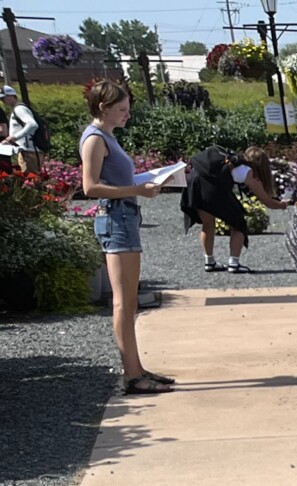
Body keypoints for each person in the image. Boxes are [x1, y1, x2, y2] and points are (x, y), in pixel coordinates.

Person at [78, 77, 172, 396]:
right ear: (103, 108)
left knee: (130, 301)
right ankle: (132, 376)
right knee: (122, 302)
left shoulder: (107, 136)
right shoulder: (94, 139)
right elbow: (89, 187)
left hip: (125, 216)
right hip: (115, 217)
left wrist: (144, 182)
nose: (127, 115)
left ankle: (136, 368)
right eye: (122, 109)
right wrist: (137, 189)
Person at [180, 146, 289, 273]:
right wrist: (283, 205)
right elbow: (267, 201)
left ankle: (209, 262)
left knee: (208, 223)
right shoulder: (249, 172)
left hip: (193, 182)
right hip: (210, 188)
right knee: (239, 224)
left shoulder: (231, 160)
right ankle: (234, 263)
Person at [1, 84, 43, 170]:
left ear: (12, 96)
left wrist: (15, 137)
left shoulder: (19, 109)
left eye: (3, 97)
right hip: (25, 150)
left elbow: (32, 124)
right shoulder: (17, 109)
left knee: (31, 179)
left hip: (29, 151)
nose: (2, 101)